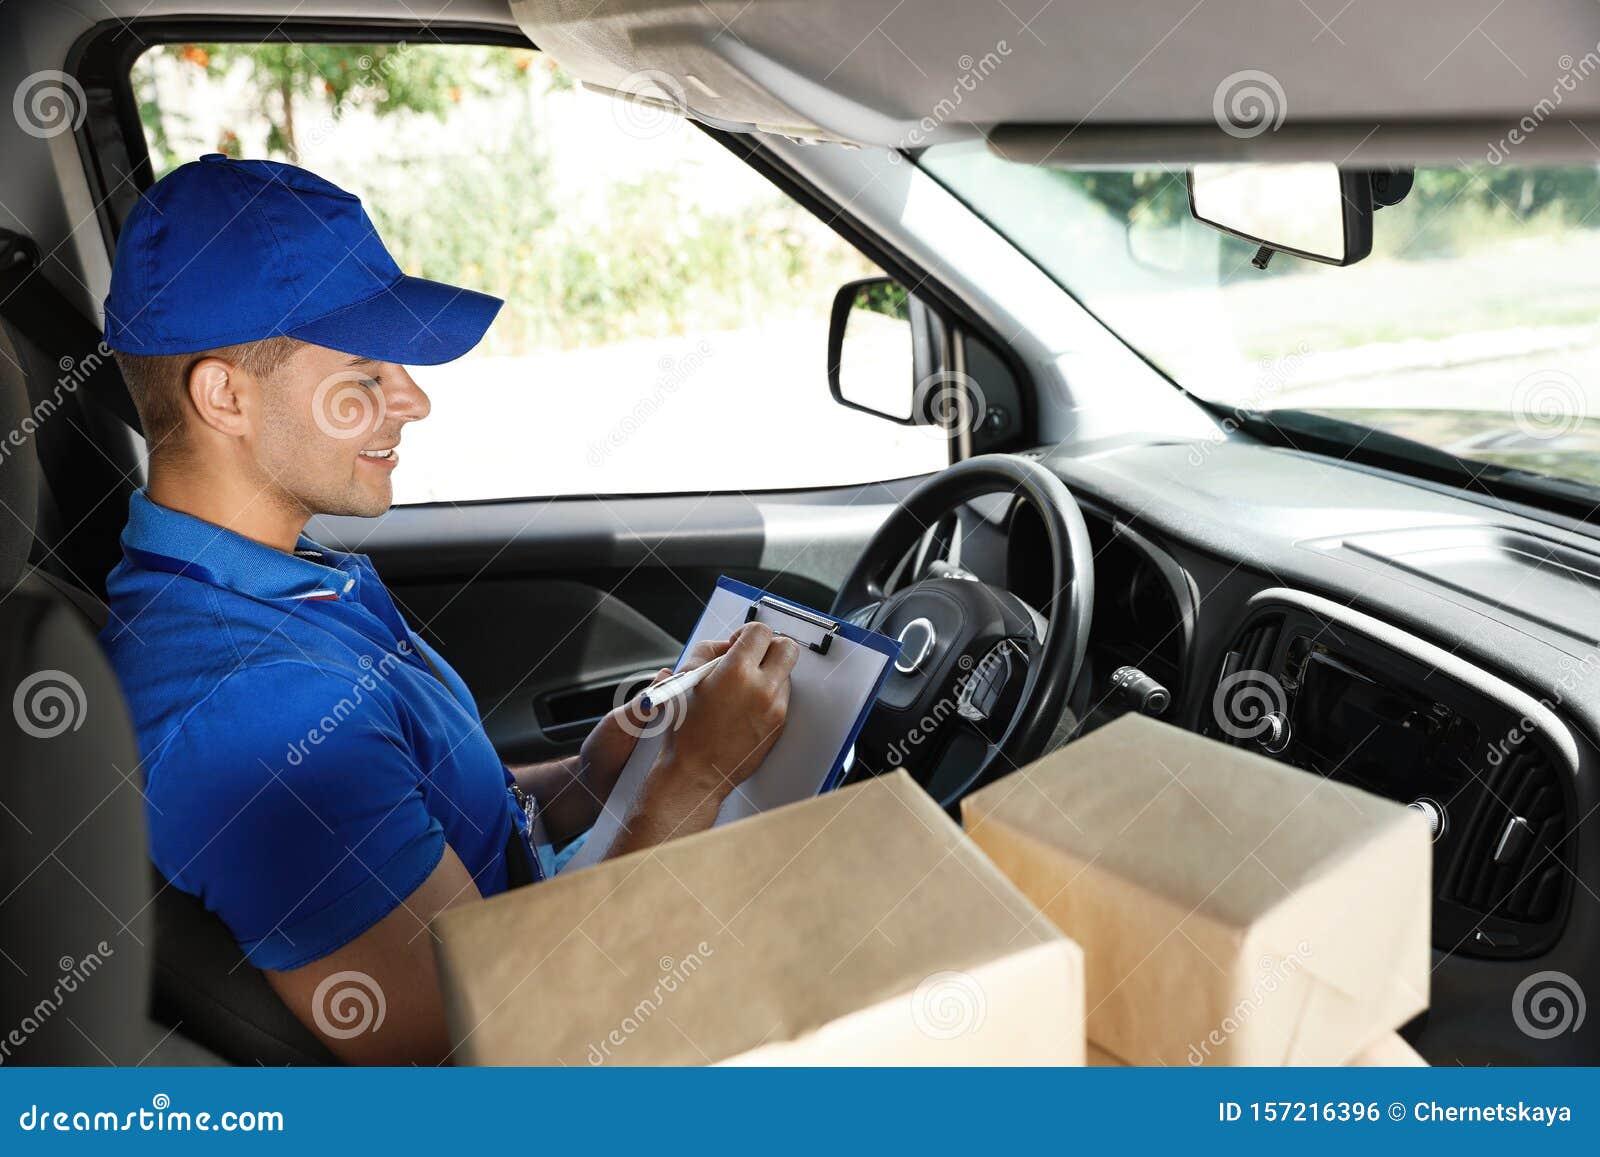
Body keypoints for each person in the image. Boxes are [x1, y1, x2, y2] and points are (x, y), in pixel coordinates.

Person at [98, 155, 799, 1064]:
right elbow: (506, 1050)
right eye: (365, 370)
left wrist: (592, 775)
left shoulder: (272, 578)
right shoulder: (253, 711)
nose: (414, 399)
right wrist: (695, 779)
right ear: (225, 395)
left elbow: (430, 818)